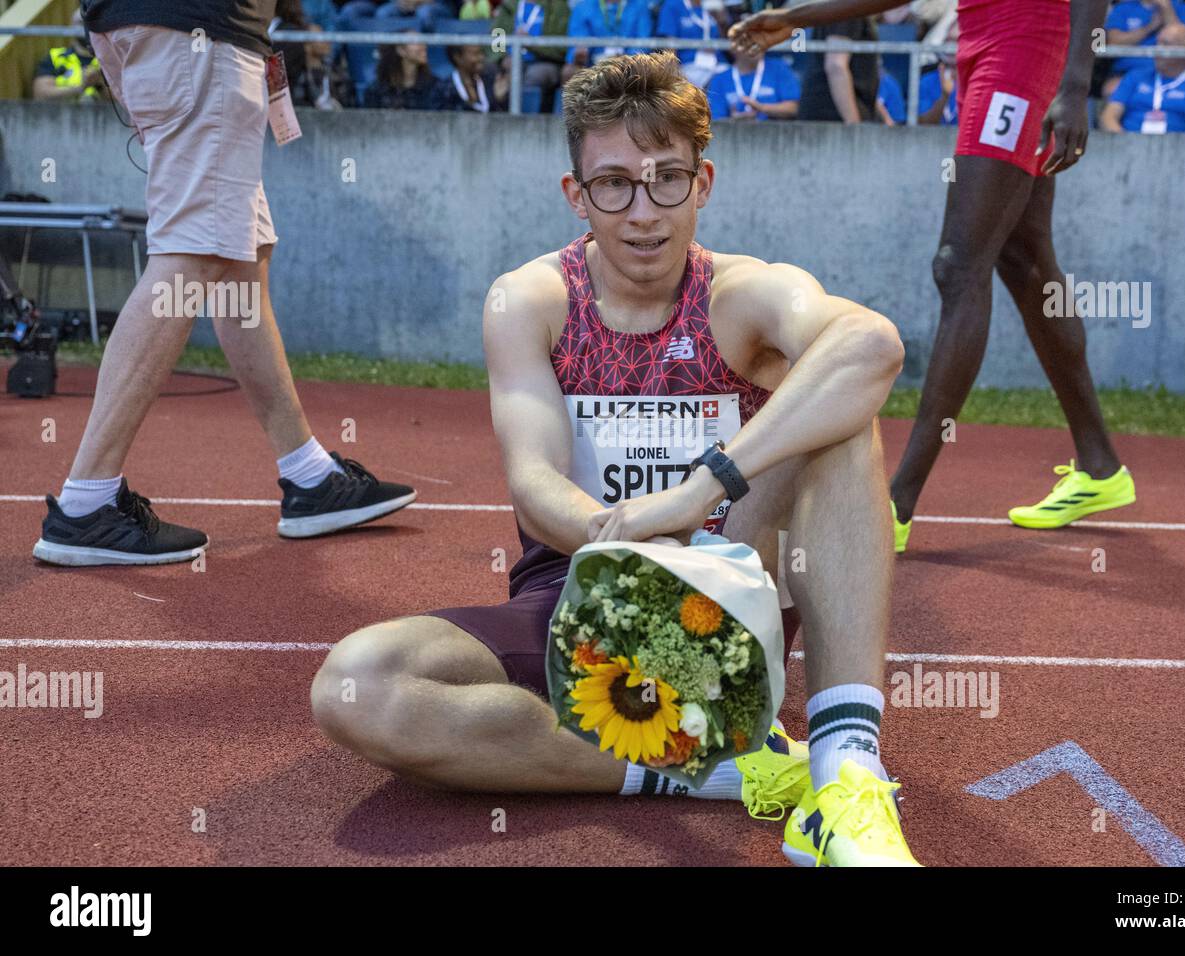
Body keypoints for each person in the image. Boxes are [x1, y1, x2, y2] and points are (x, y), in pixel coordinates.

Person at [313, 51, 920, 868]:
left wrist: (696, 496)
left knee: (842, 416)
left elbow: (873, 345)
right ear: (577, 193)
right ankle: (701, 765)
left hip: (732, 597)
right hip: (581, 600)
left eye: (668, 178)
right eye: (615, 185)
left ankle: (844, 773)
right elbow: (533, 487)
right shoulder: (531, 300)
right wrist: (631, 556)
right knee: (359, 687)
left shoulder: (738, 296)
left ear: (704, 183)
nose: (644, 211)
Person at [732, 0, 1135, 554]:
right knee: (1023, 260)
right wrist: (796, 15)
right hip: (982, 47)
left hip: (1026, 50)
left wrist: (1075, 84)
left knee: (959, 265)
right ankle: (1099, 465)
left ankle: (896, 503)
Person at [35, 0, 416, 567]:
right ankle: (86, 501)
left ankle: (309, 476)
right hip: (198, 30)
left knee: (241, 260)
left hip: (142, 26)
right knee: (194, 252)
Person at [1100, 24, 1185, 134]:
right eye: (1157, 43)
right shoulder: (1135, 76)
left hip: (1178, 152)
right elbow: (1108, 117)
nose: (1157, 48)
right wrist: (1126, 144)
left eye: (1166, 44)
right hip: (1129, 147)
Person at [1102, 0, 1185, 97]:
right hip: (1127, 72)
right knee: (1112, 89)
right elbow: (1114, 41)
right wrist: (1150, 27)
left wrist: (1167, 8)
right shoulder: (1124, 7)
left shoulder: (1183, 8)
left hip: (1173, 74)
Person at [489, 0, 570, 112]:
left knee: (537, 75)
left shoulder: (557, 6)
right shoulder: (509, 5)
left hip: (544, 61)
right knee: (504, 69)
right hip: (511, 60)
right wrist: (502, 57)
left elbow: (561, 47)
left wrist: (532, 44)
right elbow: (497, 33)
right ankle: (501, 115)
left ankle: (528, 121)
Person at [796, 16, 879, 122]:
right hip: (832, 119)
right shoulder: (850, 7)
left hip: (838, 114)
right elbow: (836, 66)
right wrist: (854, 128)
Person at [563, 0, 654, 84]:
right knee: (569, 71)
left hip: (630, 63)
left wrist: (624, 59)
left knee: (642, 71)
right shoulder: (583, 7)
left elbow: (643, 41)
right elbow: (579, 39)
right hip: (593, 63)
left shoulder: (640, 6)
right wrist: (581, 52)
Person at [705, 50, 800, 120]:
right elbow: (716, 121)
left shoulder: (779, 69)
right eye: (750, 40)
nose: (757, 45)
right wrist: (735, 121)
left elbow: (793, 108)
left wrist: (762, 108)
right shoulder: (720, 79)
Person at [32, 10, 103, 102]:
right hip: (61, 114)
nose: (85, 28)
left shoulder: (110, 58)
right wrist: (79, 88)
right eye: (81, 23)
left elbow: (123, 99)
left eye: (90, 23)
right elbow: (40, 94)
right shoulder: (55, 56)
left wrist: (99, 83)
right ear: (71, 26)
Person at [657, 0, 730, 88]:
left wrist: (721, 21)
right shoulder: (673, 5)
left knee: (728, 78)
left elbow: (726, 41)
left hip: (717, 63)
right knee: (715, 83)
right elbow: (669, 46)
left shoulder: (712, 4)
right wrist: (675, 75)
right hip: (688, 65)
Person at [365, 34, 440, 109]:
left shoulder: (435, 86)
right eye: (415, 42)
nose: (424, 46)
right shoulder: (376, 90)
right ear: (400, 50)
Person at [433, 43, 510, 111]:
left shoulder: (489, 82)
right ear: (457, 57)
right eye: (476, 54)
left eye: (482, 53)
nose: (481, 57)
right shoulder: (444, 89)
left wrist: (499, 100)